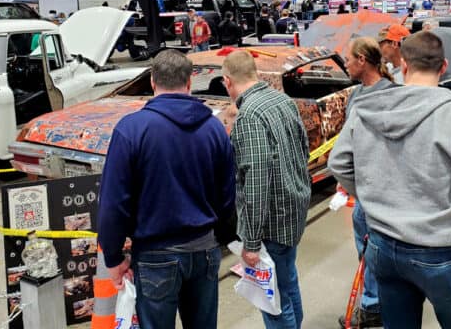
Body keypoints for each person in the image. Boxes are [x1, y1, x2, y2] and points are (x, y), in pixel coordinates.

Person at [328, 30, 451, 329]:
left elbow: (339, 163)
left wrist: (373, 195)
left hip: (384, 247)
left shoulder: (365, 110)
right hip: (443, 249)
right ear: (444, 67)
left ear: (404, 66)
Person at [98, 50, 236, 329]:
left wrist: (113, 257)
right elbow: (227, 195)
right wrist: (224, 237)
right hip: (204, 251)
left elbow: (113, 203)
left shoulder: (131, 130)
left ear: (152, 81)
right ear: (188, 84)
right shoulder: (214, 128)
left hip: (154, 256)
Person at [222, 51, 311, 329]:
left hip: (271, 224)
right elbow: (303, 150)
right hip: (292, 213)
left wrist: (251, 242)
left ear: (227, 81)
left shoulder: (248, 116)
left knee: (273, 301)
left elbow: (256, 180)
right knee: (288, 283)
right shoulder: (283, 100)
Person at [337, 37, 397, 329]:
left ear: (362, 60)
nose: (345, 64)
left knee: (377, 250)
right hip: (367, 188)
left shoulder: (385, 96)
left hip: (378, 190)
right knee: (371, 249)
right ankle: (378, 301)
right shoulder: (358, 94)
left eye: (349, 59)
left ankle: (376, 305)